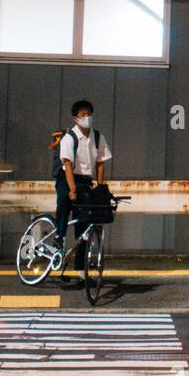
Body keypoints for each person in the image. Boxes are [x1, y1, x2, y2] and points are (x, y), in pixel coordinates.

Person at [56, 99, 111, 285]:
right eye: (82, 114)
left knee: (84, 225)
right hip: (68, 179)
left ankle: (81, 272)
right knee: (64, 203)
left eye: (89, 113)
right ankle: (58, 237)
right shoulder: (69, 138)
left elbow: (100, 163)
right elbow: (67, 165)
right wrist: (72, 189)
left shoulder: (97, 136)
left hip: (85, 181)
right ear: (75, 118)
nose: (87, 117)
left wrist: (100, 187)